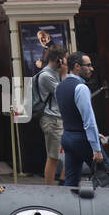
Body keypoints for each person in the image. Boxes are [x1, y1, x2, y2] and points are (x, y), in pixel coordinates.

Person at [55, 51, 108, 186]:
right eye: (88, 65)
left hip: (67, 137)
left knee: (71, 183)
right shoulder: (81, 88)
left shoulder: (59, 87)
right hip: (82, 139)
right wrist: (96, 148)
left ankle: (67, 206)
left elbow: (69, 114)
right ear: (77, 66)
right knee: (108, 178)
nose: (92, 68)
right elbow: (88, 121)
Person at [34, 45, 66, 185]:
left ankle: (64, 182)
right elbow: (64, 93)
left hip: (59, 118)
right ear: (58, 60)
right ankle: (49, 188)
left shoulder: (54, 73)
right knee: (53, 156)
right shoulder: (46, 76)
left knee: (68, 153)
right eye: (64, 58)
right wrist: (64, 74)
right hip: (51, 119)